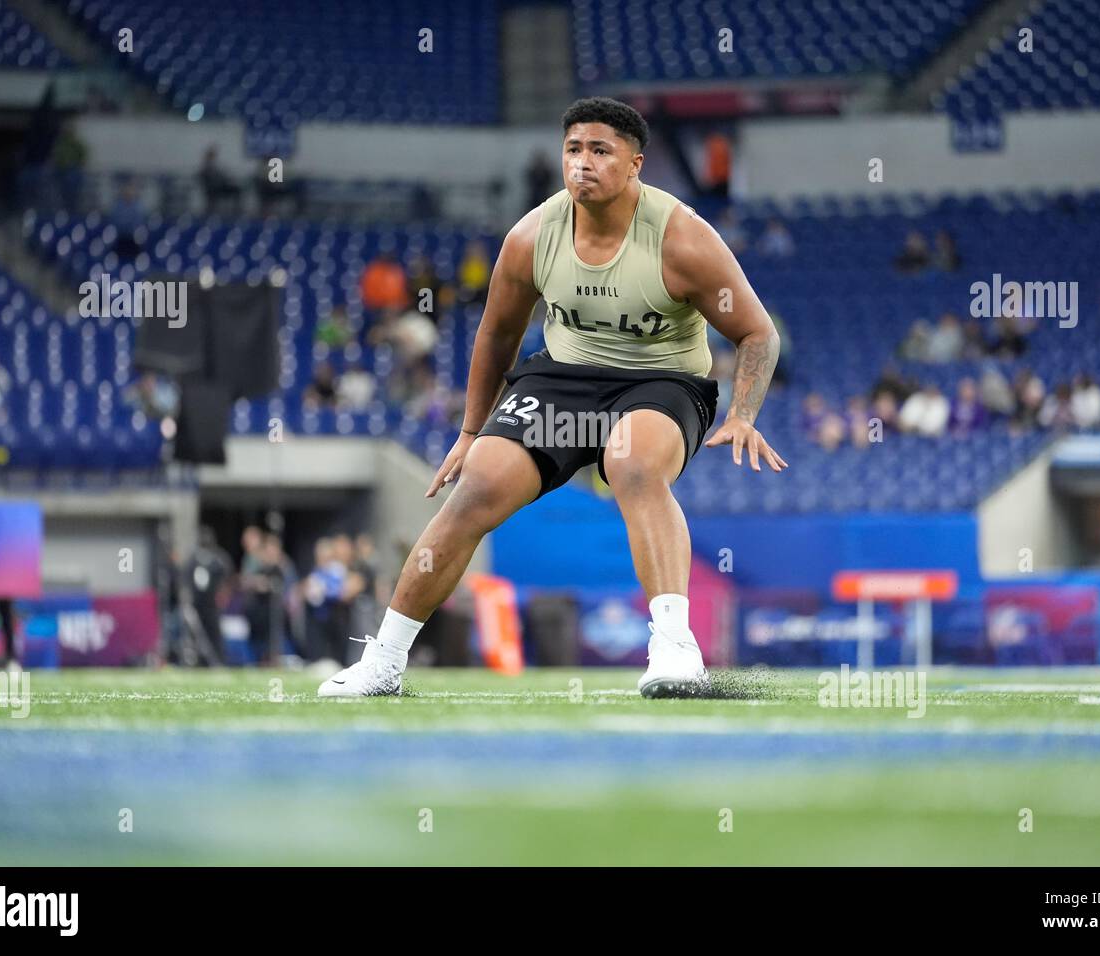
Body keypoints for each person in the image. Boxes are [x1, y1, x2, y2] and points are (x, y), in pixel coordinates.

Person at [319, 97, 784, 700]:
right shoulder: (532, 237)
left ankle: (675, 651)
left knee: (632, 464)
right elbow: (497, 335)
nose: (582, 163)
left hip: (663, 380)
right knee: (478, 487)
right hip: (564, 379)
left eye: (600, 151)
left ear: (636, 164)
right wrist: (469, 432)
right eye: (572, 149)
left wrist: (744, 414)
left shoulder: (683, 241)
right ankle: (383, 664)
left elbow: (758, 332)